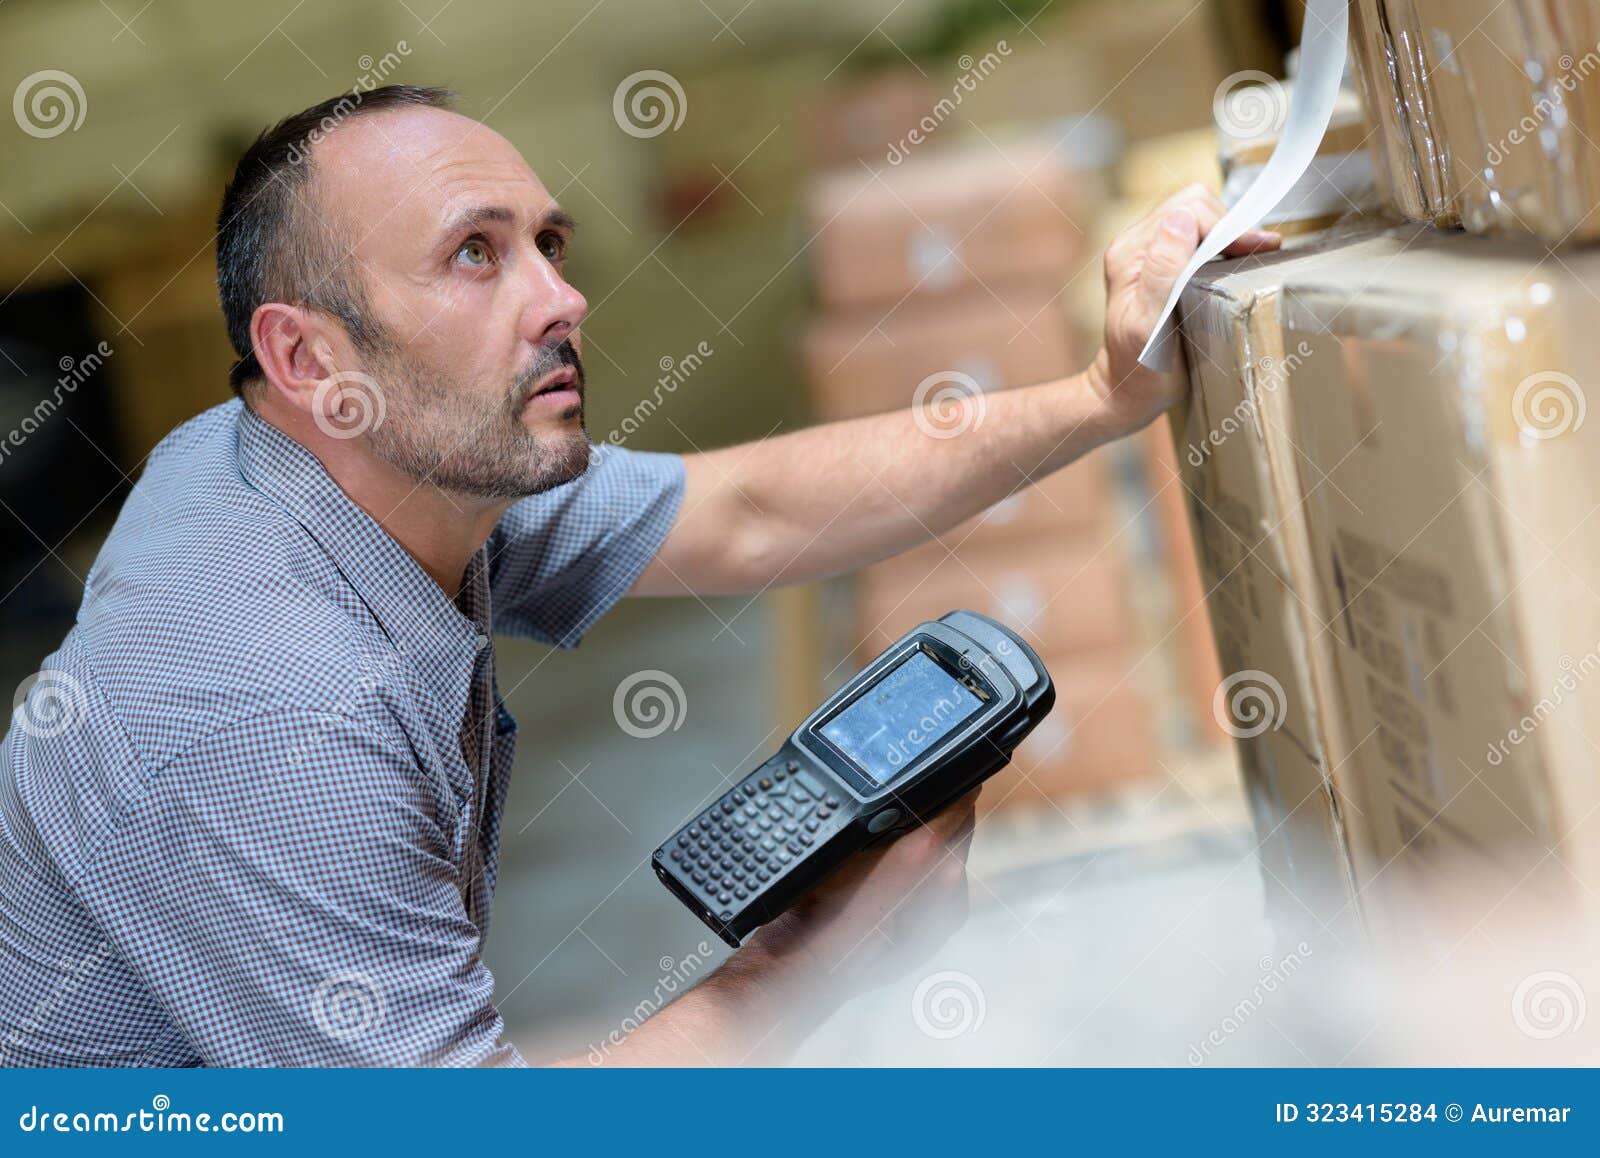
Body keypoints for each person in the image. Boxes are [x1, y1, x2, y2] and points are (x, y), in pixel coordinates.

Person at [0, 85, 1278, 1067]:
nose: (561, 298)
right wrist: (807, 968)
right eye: (475, 255)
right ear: (305, 350)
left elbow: (751, 513)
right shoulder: (273, 724)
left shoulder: (340, 462)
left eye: (546, 242)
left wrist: (1103, 398)